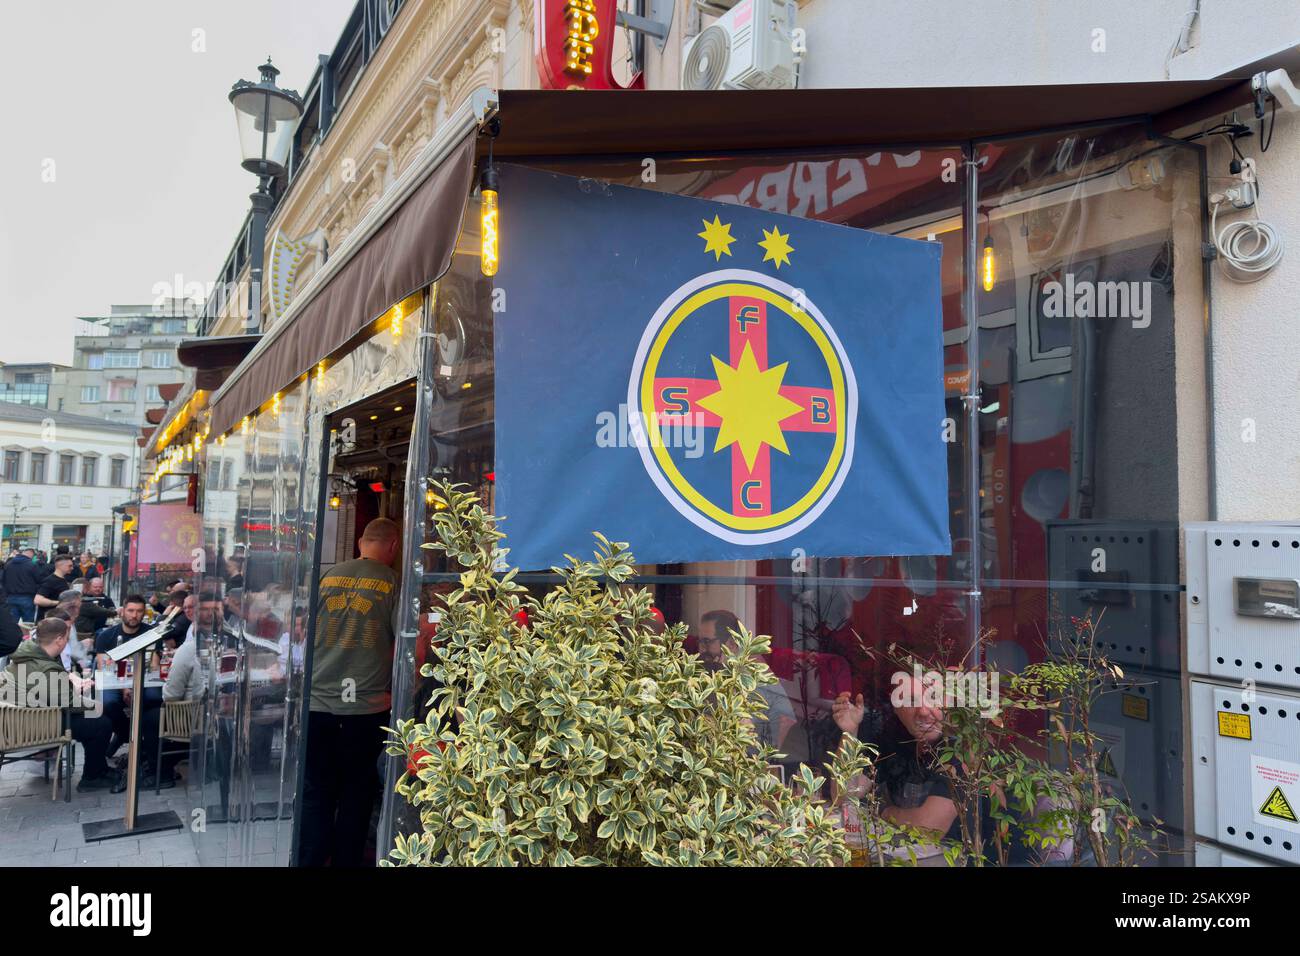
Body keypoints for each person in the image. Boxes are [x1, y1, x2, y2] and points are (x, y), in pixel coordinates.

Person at [300, 517, 401, 867]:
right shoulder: (390, 582)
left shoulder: (327, 577)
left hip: (316, 701)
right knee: (356, 794)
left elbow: (304, 631)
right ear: (393, 546)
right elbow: (403, 644)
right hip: (364, 706)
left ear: (360, 541)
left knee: (316, 794)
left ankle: (309, 860)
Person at [0, 618, 125, 792]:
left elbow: (53, 695)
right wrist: (94, 704)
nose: (67, 642)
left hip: (14, 720)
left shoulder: (27, 653)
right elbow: (69, 704)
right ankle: (93, 776)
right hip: (30, 725)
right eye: (66, 638)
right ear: (59, 639)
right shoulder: (45, 666)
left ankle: (99, 768)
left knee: (96, 716)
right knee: (100, 722)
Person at [699, 609, 797, 753]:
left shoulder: (751, 674)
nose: (702, 649)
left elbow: (786, 719)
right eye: (700, 641)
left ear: (731, 644)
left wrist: (766, 761)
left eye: (707, 642)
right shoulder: (719, 668)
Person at [2, 547, 43, 623]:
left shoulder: (8, 564)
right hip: (27, 597)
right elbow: (39, 580)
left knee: (12, 623)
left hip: (10, 597)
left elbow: (3, 580)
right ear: (31, 554)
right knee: (28, 623)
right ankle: (26, 635)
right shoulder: (32, 565)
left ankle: (15, 635)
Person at [33, 554, 75, 620]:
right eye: (70, 566)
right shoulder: (50, 581)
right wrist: (59, 603)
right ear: (61, 566)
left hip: (57, 620)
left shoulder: (62, 579)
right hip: (49, 622)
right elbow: (38, 600)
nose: (72, 568)